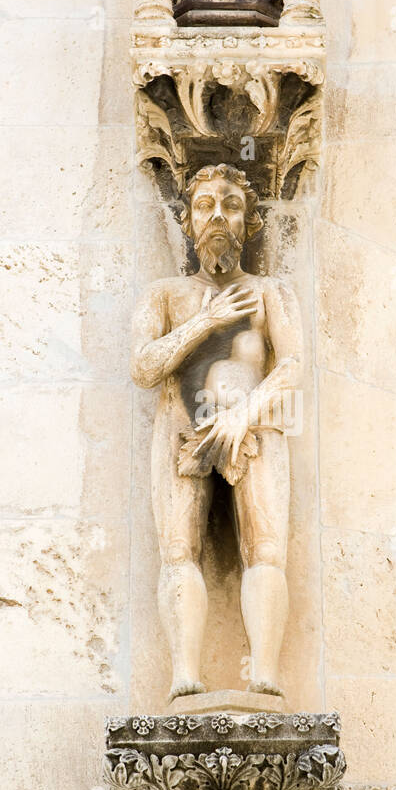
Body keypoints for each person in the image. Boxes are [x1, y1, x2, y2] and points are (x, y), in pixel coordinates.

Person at [131, 164, 302, 699]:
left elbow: (293, 365)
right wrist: (205, 320)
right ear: (188, 220)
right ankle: (185, 675)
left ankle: (266, 675)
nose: (218, 217)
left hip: (254, 422)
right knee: (178, 546)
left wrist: (243, 414)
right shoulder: (165, 294)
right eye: (205, 206)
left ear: (249, 222)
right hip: (181, 423)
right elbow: (144, 367)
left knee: (266, 545)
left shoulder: (268, 292)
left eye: (231, 206)